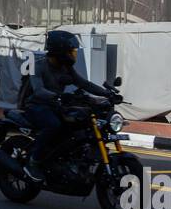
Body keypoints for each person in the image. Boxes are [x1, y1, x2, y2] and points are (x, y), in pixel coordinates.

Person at [19, 30, 118, 183]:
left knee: (80, 123)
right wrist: (55, 96)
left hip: (56, 104)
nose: (73, 54)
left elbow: (84, 84)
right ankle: (33, 162)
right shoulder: (38, 66)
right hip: (37, 106)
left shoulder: (66, 67)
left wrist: (107, 94)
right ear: (59, 50)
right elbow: (38, 89)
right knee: (53, 125)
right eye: (71, 51)